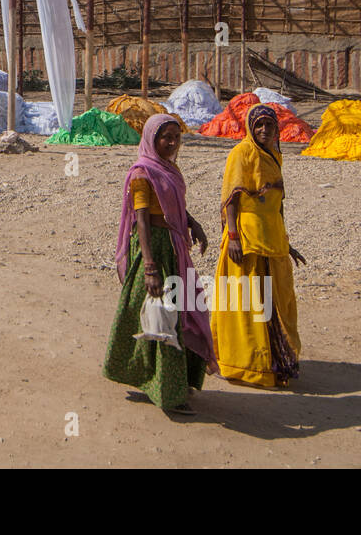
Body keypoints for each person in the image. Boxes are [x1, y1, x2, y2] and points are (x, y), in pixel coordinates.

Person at [103, 114, 218, 414]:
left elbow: (174, 207)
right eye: (165, 137)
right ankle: (169, 393)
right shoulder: (143, 173)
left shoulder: (169, 168)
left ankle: (169, 381)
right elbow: (141, 220)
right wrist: (150, 267)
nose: (171, 142)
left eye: (175, 136)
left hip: (174, 246)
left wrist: (194, 224)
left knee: (178, 314)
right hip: (155, 249)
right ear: (151, 140)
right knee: (164, 316)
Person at [210, 104, 307, 388]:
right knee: (249, 301)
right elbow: (232, 198)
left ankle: (271, 360)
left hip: (273, 237)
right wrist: (234, 237)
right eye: (259, 125)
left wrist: (287, 243)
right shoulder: (242, 153)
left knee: (275, 300)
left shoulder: (275, 154)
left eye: (269, 125)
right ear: (251, 128)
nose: (264, 130)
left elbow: (278, 204)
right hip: (248, 238)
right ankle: (245, 363)